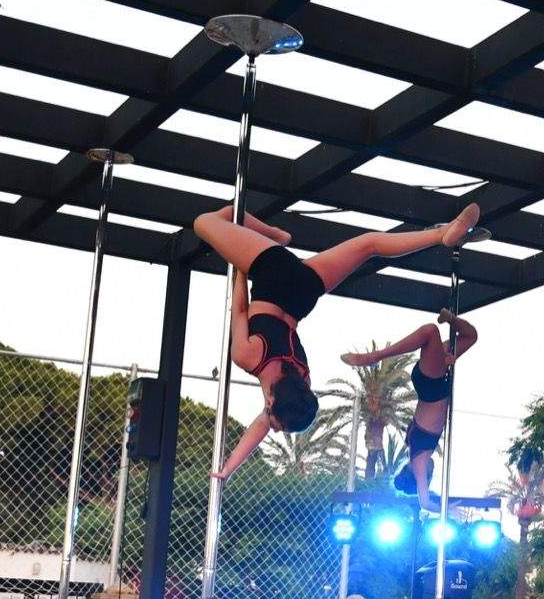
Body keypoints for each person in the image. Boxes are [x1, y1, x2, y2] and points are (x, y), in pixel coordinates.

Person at [192, 200, 481, 477]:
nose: (274, 430)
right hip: (271, 271)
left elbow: (263, 423)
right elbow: (240, 308)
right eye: (277, 425)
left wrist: (229, 468)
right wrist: (239, 264)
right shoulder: (247, 356)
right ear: (270, 403)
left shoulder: (302, 378)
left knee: (369, 245)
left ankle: (441, 234)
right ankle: (273, 235)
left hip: (304, 292)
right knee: (207, 220)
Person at [339, 310, 480, 511]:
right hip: (431, 382)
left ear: (418, 475)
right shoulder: (412, 449)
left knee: (430, 332)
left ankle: (373, 357)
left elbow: (425, 502)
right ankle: (449, 319)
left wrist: (445, 510)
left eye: (428, 478)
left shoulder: (420, 462)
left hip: (433, 384)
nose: (431, 473)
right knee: (470, 336)